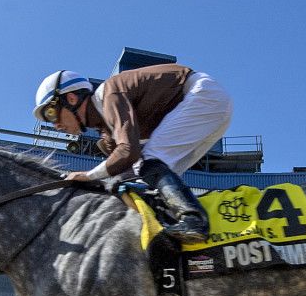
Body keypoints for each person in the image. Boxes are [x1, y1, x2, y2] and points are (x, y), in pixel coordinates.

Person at [32, 64, 233, 245]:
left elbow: (128, 151)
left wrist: (87, 176)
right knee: (147, 175)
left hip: (202, 94)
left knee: (151, 162)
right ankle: (177, 227)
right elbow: (125, 176)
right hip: (212, 106)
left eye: (52, 113)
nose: (56, 125)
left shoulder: (109, 93)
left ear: (71, 98)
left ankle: (194, 220)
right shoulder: (107, 132)